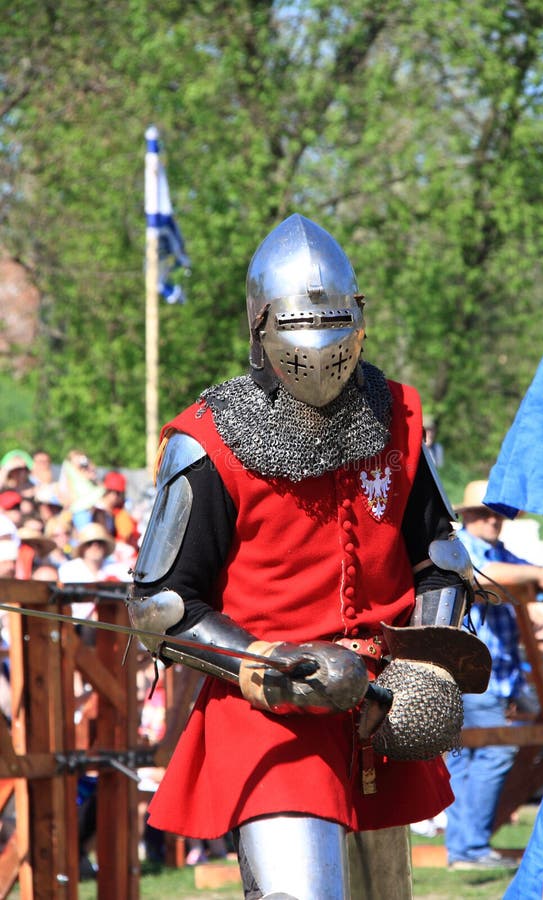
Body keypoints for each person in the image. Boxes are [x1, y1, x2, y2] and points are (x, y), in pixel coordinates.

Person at [128, 214, 485, 899]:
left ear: (359, 318)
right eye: (295, 330)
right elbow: (161, 606)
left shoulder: (398, 416)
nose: (318, 353)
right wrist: (271, 664)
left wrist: (420, 666)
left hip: (381, 708)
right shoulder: (205, 439)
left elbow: (441, 558)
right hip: (271, 719)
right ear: (260, 327)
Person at [444, 479, 543, 871]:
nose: (493, 520)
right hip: (471, 671)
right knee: (493, 752)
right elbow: (488, 574)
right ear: (468, 517)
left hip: (489, 675)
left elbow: (528, 575)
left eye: (498, 513)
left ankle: (462, 850)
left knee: (469, 758)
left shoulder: (500, 551)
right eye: (484, 513)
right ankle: (468, 849)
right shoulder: (465, 550)